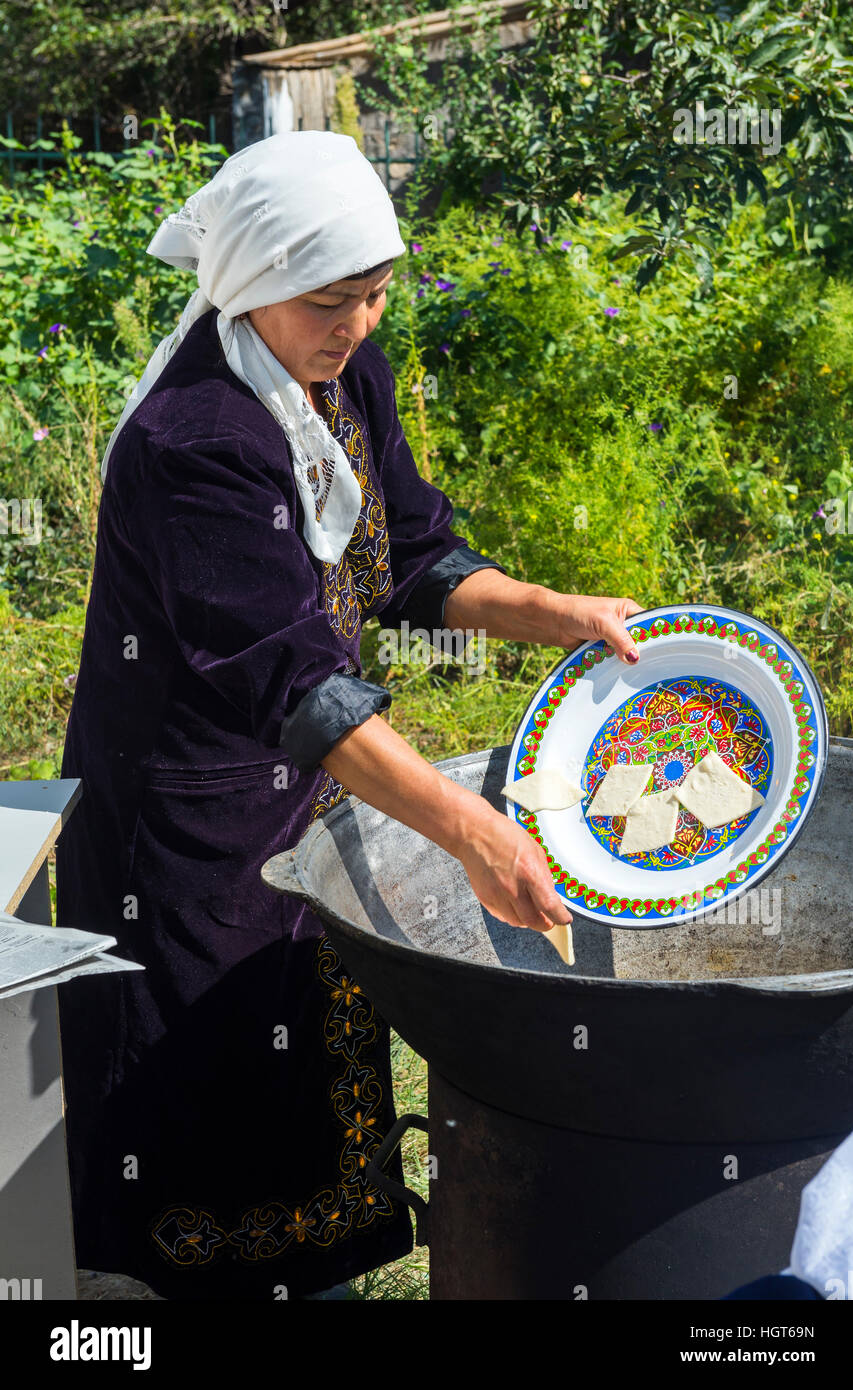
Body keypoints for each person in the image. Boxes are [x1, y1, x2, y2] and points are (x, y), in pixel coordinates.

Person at [55, 130, 642, 1300]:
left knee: (305, 1071)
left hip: (311, 790)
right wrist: (479, 833)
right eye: (332, 301)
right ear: (254, 287)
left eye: (376, 294)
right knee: (200, 1091)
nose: (360, 323)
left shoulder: (337, 373)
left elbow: (409, 554)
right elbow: (297, 689)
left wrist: (553, 610)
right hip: (186, 830)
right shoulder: (195, 443)